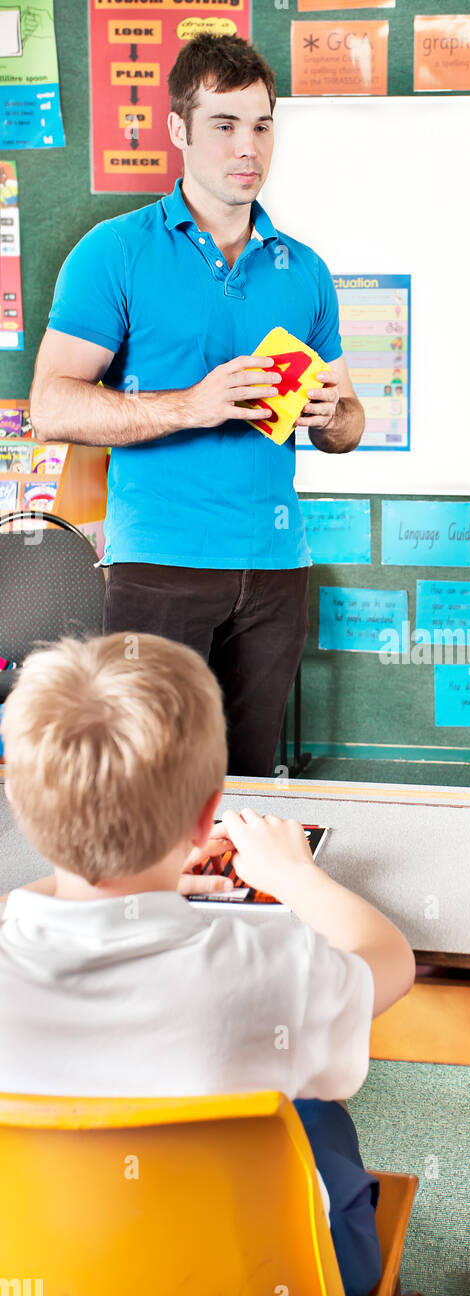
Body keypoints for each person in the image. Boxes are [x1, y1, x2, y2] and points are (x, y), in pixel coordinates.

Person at [0, 632, 415, 1296]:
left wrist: (124, 879)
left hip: (49, 1283)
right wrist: (293, 874)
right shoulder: (265, 969)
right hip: (262, 1280)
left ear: (18, 806)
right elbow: (390, 961)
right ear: (205, 818)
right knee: (316, 1105)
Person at [28, 35, 365, 777]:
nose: (248, 147)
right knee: (146, 786)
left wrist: (330, 416)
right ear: (179, 130)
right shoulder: (114, 253)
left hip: (277, 568)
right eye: (224, 125)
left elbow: (350, 425)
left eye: (261, 125)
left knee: (243, 790)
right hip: (160, 567)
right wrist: (192, 405)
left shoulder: (303, 269)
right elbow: (50, 406)